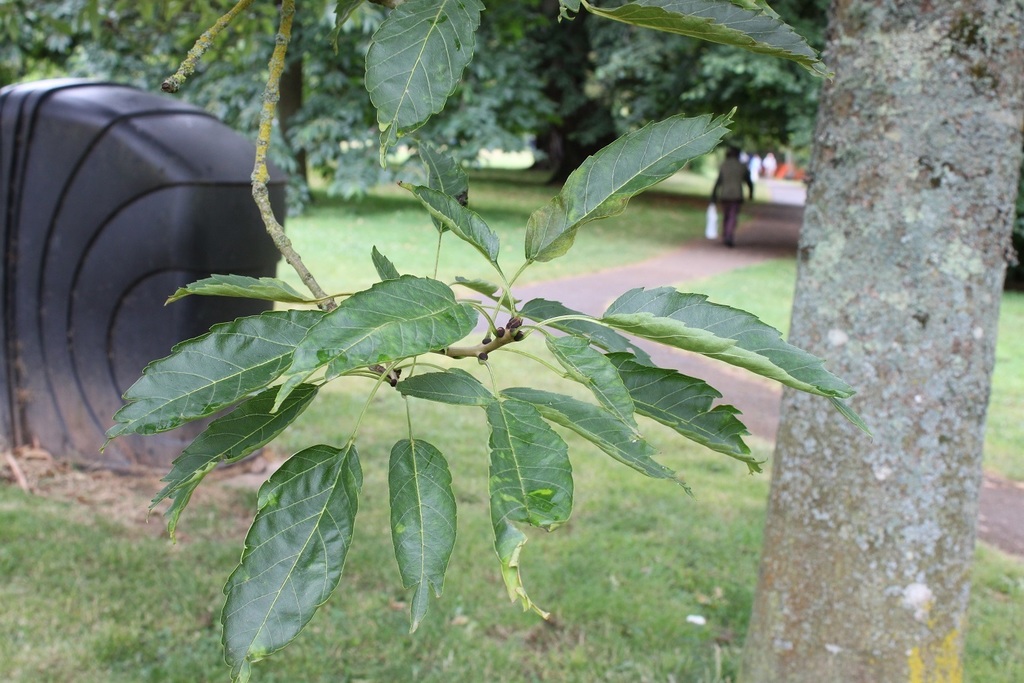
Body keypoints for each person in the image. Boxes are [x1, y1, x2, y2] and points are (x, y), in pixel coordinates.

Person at [711, 146, 754, 247]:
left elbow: (718, 181)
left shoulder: (724, 165)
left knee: (726, 215)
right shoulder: (741, 166)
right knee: (732, 216)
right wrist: (751, 193)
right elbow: (749, 181)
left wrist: (713, 195)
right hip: (736, 195)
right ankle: (728, 235)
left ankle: (726, 234)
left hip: (724, 194)